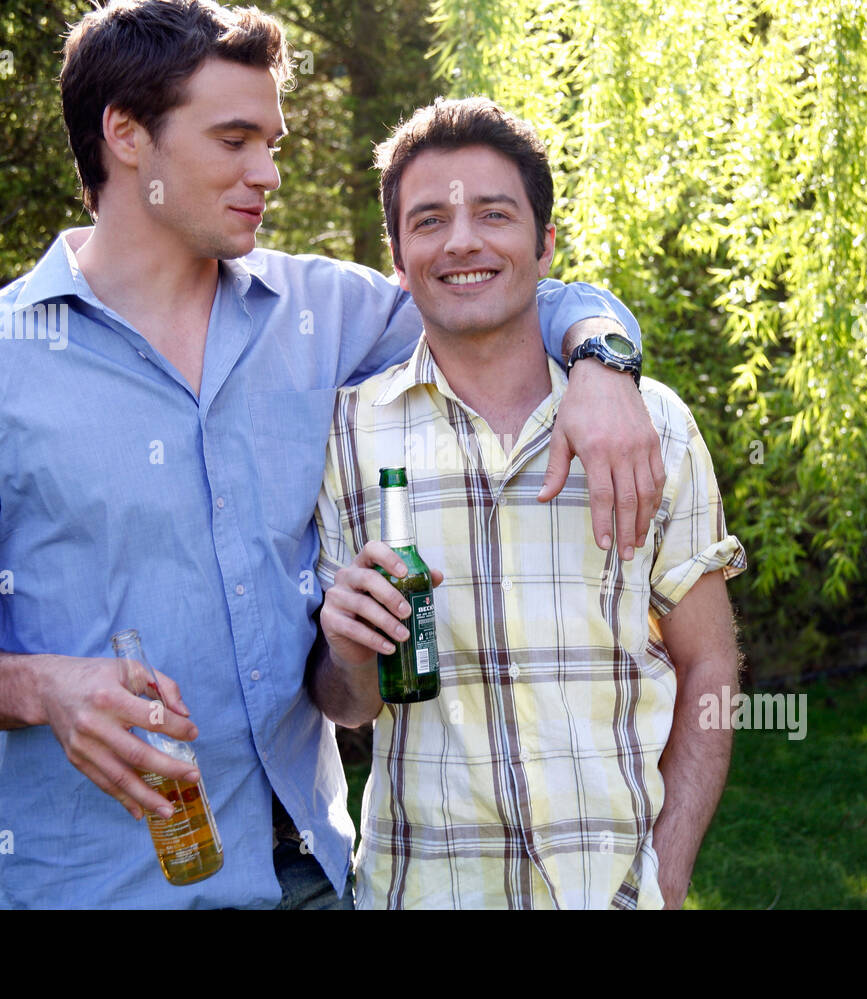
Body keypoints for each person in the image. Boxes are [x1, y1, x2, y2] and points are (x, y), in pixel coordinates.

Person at [0, 0, 663, 909]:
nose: (267, 172)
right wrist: (42, 687)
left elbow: (492, 293)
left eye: (272, 141)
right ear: (126, 136)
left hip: (315, 871)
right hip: (98, 888)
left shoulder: (328, 315)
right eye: (235, 140)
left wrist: (600, 357)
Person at [312, 97, 746, 909]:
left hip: (612, 892)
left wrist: (671, 871)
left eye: (494, 214)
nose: (463, 240)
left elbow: (710, 662)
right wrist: (348, 651)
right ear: (399, 260)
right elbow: (348, 705)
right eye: (430, 219)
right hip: (419, 890)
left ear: (546, 245)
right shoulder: (346, 434)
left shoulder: (655, 427)